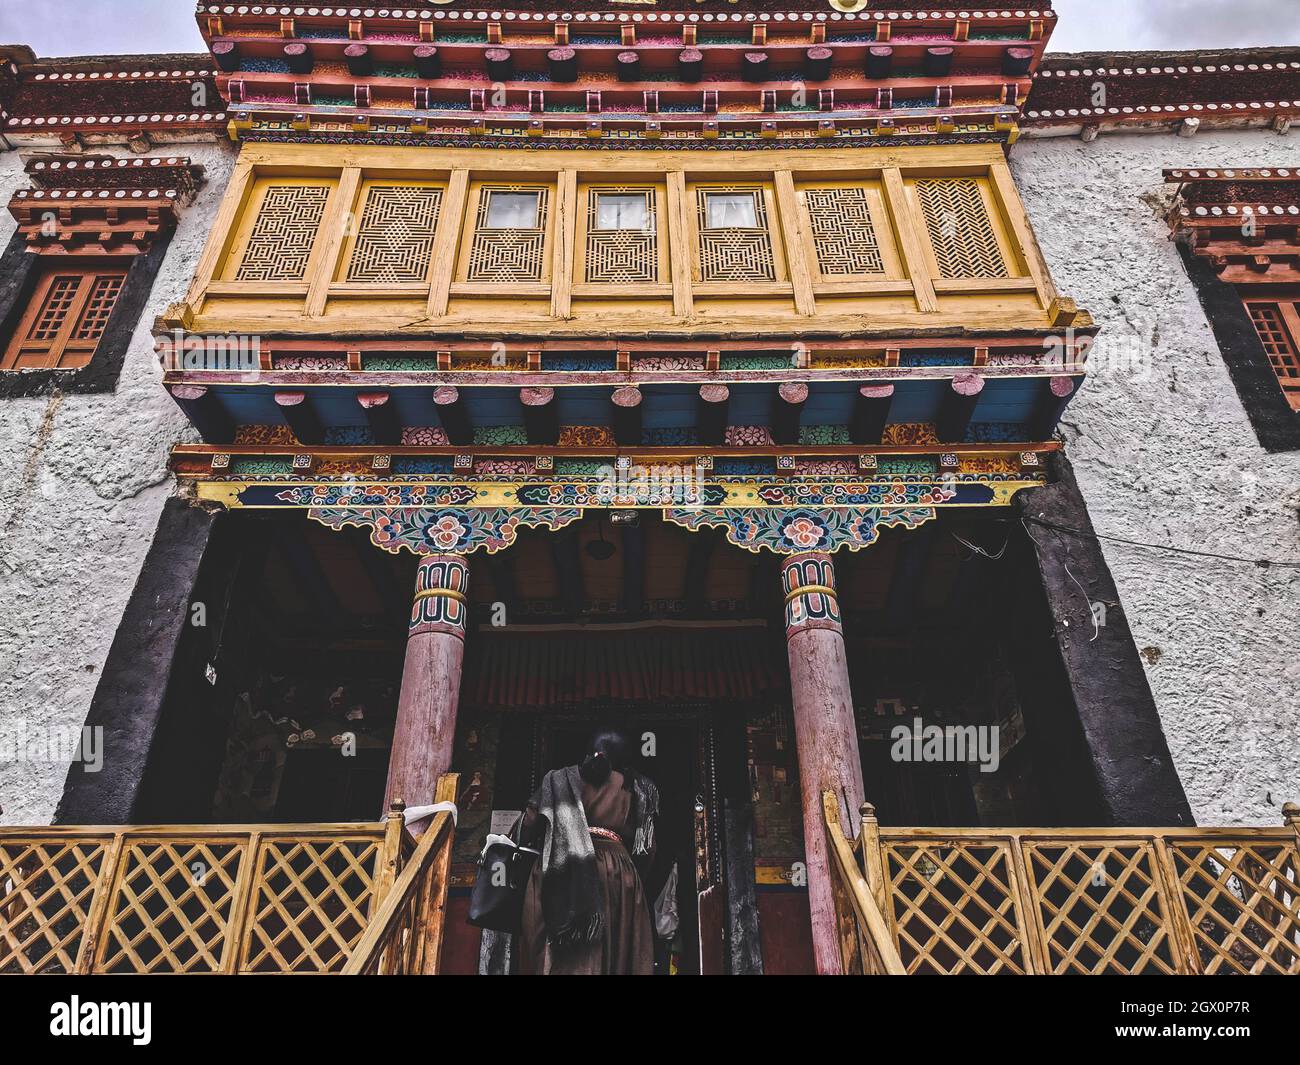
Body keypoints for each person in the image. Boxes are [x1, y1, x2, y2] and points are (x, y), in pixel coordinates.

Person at [517, 729, 658, 975]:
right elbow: (647, 848)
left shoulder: (559, 779)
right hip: (617, 871)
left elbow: (526, 827)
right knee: (613, 946)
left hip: (565, 863)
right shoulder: (636, 788)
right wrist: (631, 878)